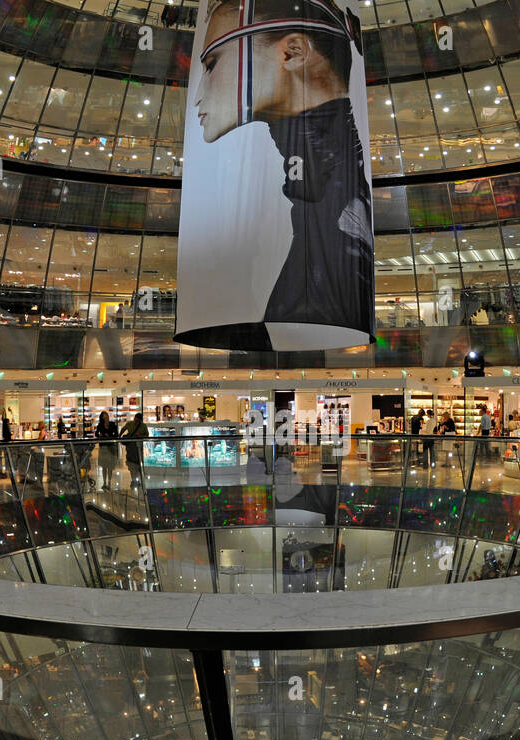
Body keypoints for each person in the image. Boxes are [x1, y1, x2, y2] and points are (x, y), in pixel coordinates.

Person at [189, 0, 372, 347]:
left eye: (212, 64)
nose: (197, 96)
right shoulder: (335, 226)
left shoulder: (337, 241)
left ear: (292, 53)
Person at [120, 412, 150, 487]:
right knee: (131, 464)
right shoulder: (130, 423)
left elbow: (147, 435)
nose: (135, 422)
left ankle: (139, 480)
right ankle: (134, 480)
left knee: (138, 464)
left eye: (137, 421)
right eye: (134, 420)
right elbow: (123, 429)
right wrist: (119, 437)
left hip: (138, 447)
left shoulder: (143, 426)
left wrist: (140, 435)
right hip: (130, 447)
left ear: (140, 421)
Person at [95, 410, 119, 491]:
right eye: (104, 416)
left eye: (106, 415)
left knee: (110, 466)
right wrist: (99, 435)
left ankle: (109, 481)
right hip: (103, 447)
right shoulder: (100, 425)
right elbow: (96, 434)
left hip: (111, 446)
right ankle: (104, 482)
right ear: (102, 417)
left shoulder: (112, 424)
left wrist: (110, 435)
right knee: (104, 465)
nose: (105, 417)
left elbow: (116, 434)